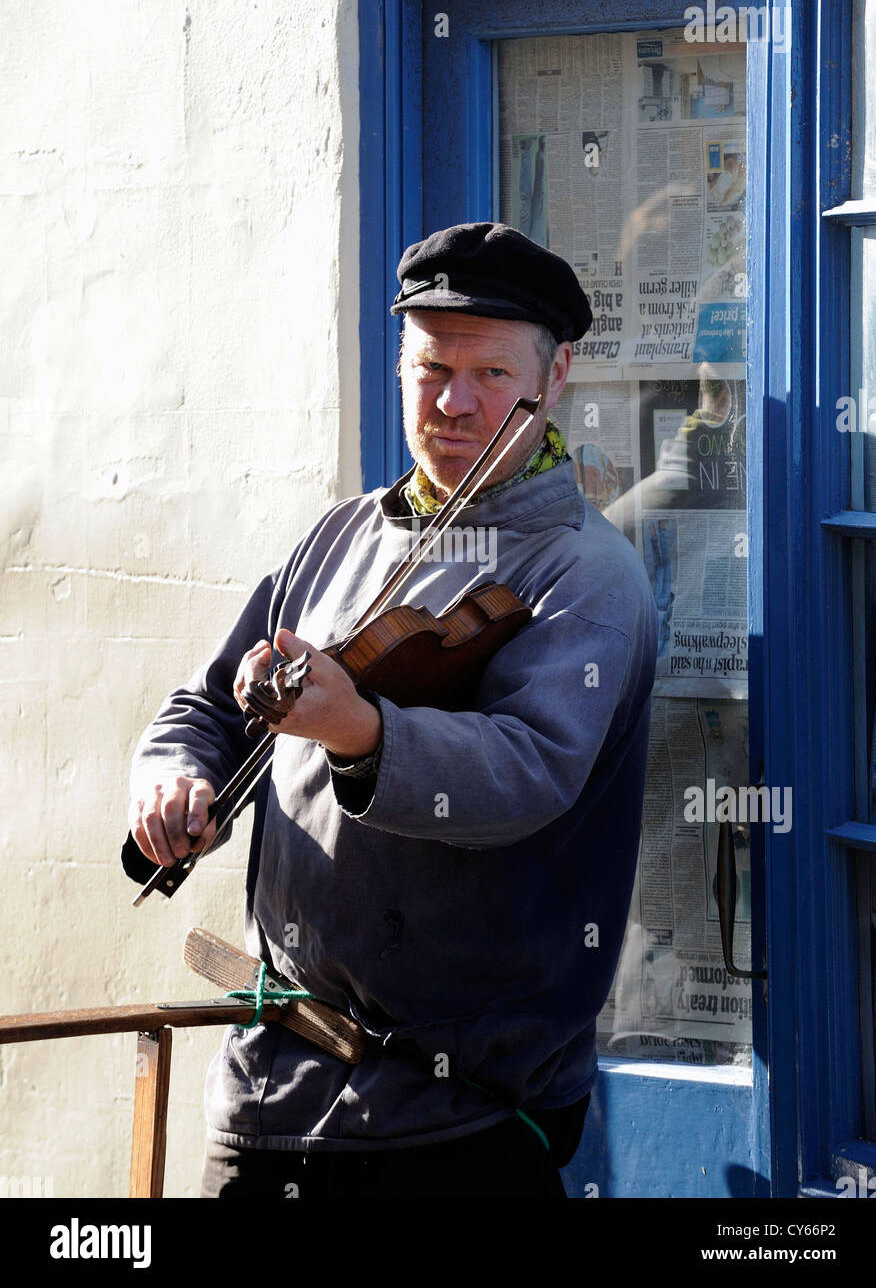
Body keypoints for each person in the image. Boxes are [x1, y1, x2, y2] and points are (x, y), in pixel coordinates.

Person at [123, 221, 659, 1199]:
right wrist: (175, 778)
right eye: (429, 369)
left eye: (490, 374)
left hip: (454, 1124)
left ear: (557, 374)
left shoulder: (584, 574)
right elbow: (207, 707)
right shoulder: (340, 534)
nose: (454, 403)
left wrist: (361, 730)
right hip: (266, 1094)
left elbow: (528, 771)